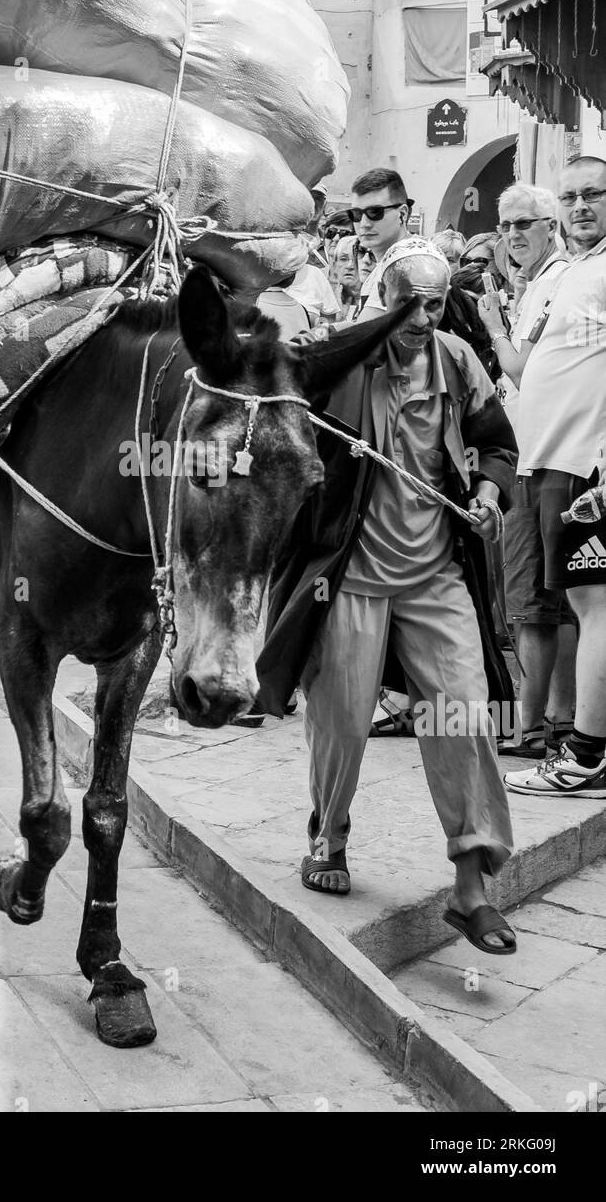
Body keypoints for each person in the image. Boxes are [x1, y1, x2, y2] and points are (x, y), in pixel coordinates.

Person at [257, 238, 518, 952]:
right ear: (385, 298)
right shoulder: (343, 358)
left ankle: (471, 884)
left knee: (461, 716)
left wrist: (490, 494)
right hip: (352, 579)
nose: (423, 317)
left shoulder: (458, 361)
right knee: (341, 719)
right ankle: (329, 832)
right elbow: (274, 388)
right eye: (409, 303)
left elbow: (498, 443)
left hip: (436, 576)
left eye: (434, 304)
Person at [498, 157, 606, 798]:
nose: (581, 205)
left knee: (594, 608)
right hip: (551, 461)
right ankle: (583, 743)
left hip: (583, 464)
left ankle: (587, 754)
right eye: (571, 196)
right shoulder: (580, 271)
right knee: (580, 607)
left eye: (593, 193)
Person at [477, 184, 575, 760]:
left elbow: (521, 369)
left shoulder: (559, 280)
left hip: (539, 457)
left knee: (532, 602)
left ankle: (535, 726)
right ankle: (557, 722)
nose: (514, 236)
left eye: (525, 224)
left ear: (550, 226)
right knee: (554, 600)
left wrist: (491, 322)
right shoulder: (542, 282)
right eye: (506, 226)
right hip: (545, 453)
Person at [349, 167, 411, 312]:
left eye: (375, 212)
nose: (364, 224)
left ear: (402, 214)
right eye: (356, 214)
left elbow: (366, 331)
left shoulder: (404, 263)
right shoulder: (388, 262)